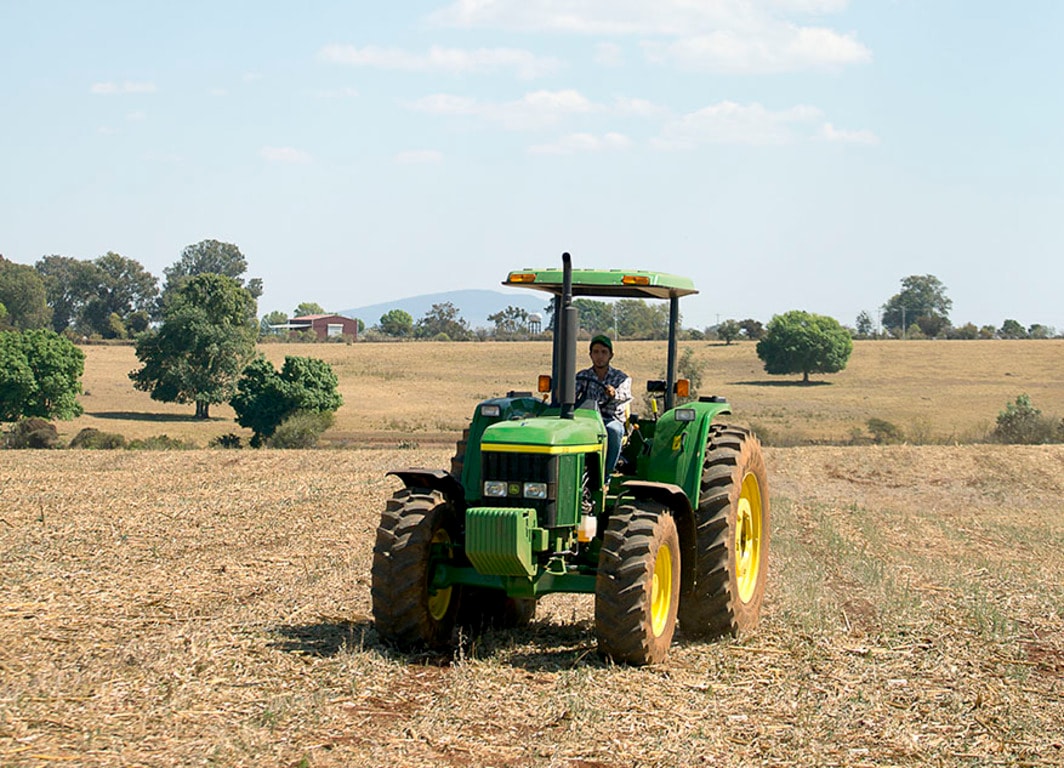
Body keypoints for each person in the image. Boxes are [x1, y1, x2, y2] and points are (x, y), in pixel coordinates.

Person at [575, 334, 632, 480]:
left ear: (611, 355)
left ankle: (605, 476)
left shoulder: (620, 377)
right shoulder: (583, 376)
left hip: (609, 418)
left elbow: (624, 395)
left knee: (614, 430)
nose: (599, 356)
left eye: (604, 352)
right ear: (590, 355)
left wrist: (614, 393)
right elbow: (571, 393)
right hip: (587, 419)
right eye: (596, 352)